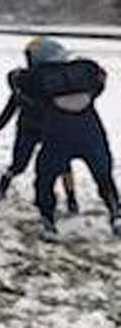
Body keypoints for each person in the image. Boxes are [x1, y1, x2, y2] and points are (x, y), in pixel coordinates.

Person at [12, 38, 119, 241]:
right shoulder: (86, 70)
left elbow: (21, 89)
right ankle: (115, 214)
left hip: (57, 134)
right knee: (104, 177)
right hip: (91, 132)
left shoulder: (34, 77)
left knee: (45, 178)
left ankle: (48, 221)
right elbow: (100, 82)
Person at [0, 43, 77, 213]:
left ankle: (71, 199)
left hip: (52, 129)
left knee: (63, 164)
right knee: (19, 164)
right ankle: (3, 184)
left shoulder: (55, 83)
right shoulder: (25, 84)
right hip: (28, 129)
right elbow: (10, 108)